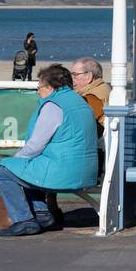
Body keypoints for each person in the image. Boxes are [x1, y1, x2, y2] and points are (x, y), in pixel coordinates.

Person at [0, 64, 99, 237]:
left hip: (64, 171)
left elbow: (35, 146)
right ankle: (42, 215)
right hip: (86, 169)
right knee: (30, 167)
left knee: (3, 169)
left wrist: (16, 161)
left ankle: (23, 220)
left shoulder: (54, 107)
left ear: (50, 88)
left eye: (39, 88)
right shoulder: (79, 100)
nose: (38, 92)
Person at [42, 56, 112, 224]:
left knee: (43, 159)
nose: (71, 79)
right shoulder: (102, 90)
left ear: (88, 76)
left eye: (74, 74)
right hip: (97, 153)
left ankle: (46, 213)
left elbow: (83, 128)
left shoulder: (92, 97)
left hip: (91, 158)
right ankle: (48, 210)